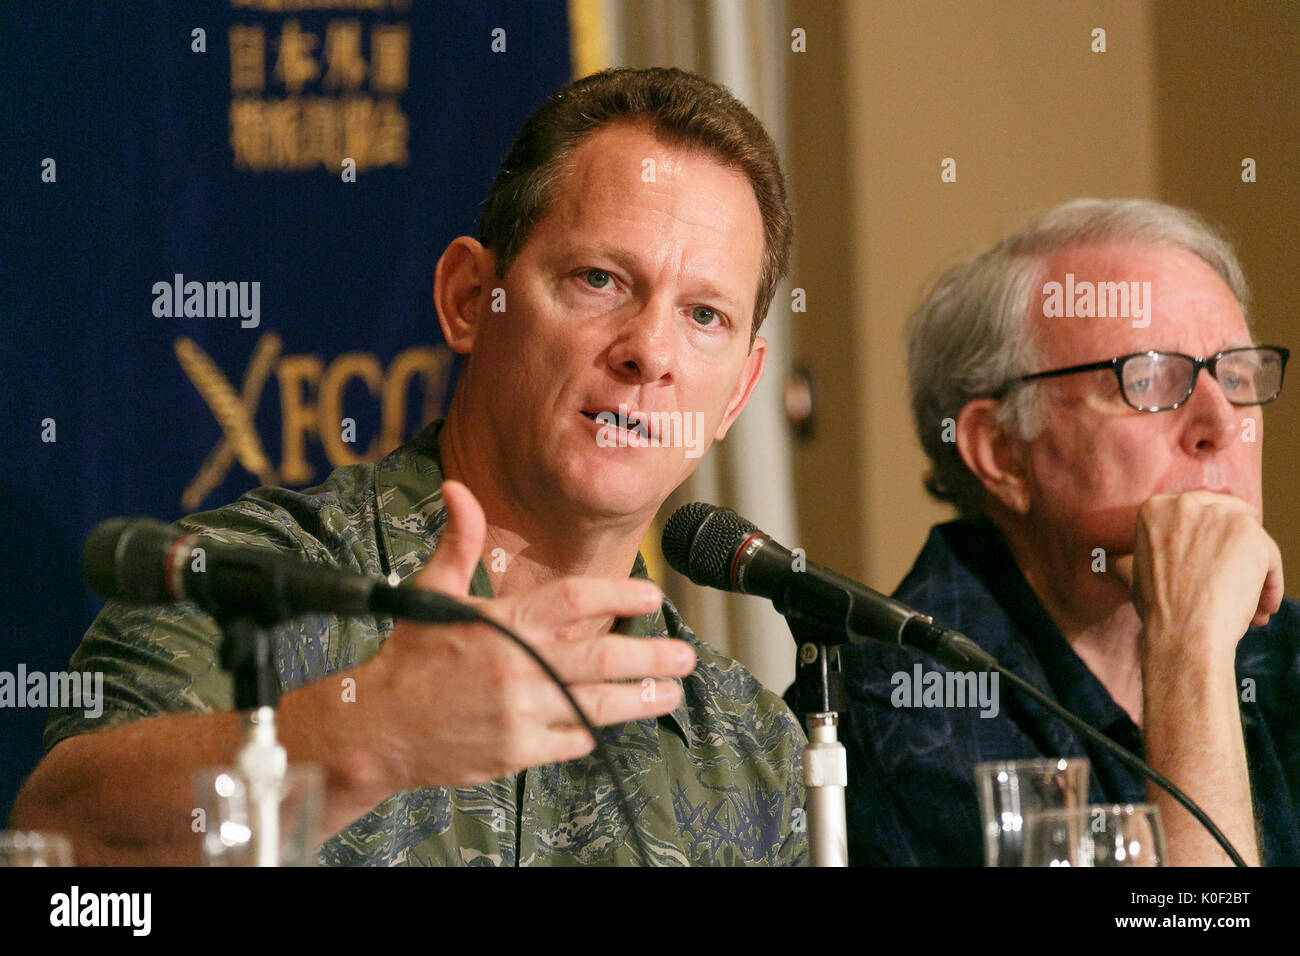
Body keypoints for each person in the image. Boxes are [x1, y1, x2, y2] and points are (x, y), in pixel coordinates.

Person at [12, 67, 807, 866]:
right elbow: (62, 848)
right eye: (599, 279)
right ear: (470, 299)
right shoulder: (245, 595)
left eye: (704, 315)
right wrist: (371, 734)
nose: (650, 352)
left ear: (738, 393)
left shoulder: (751, 756)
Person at [837, 198, 1297, 866]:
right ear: (1001, 452)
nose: (1222, 424)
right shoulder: (896, 714)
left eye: (1236, 377)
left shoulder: (1287, 658)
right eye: (1149, 380)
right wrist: (1188, 654)